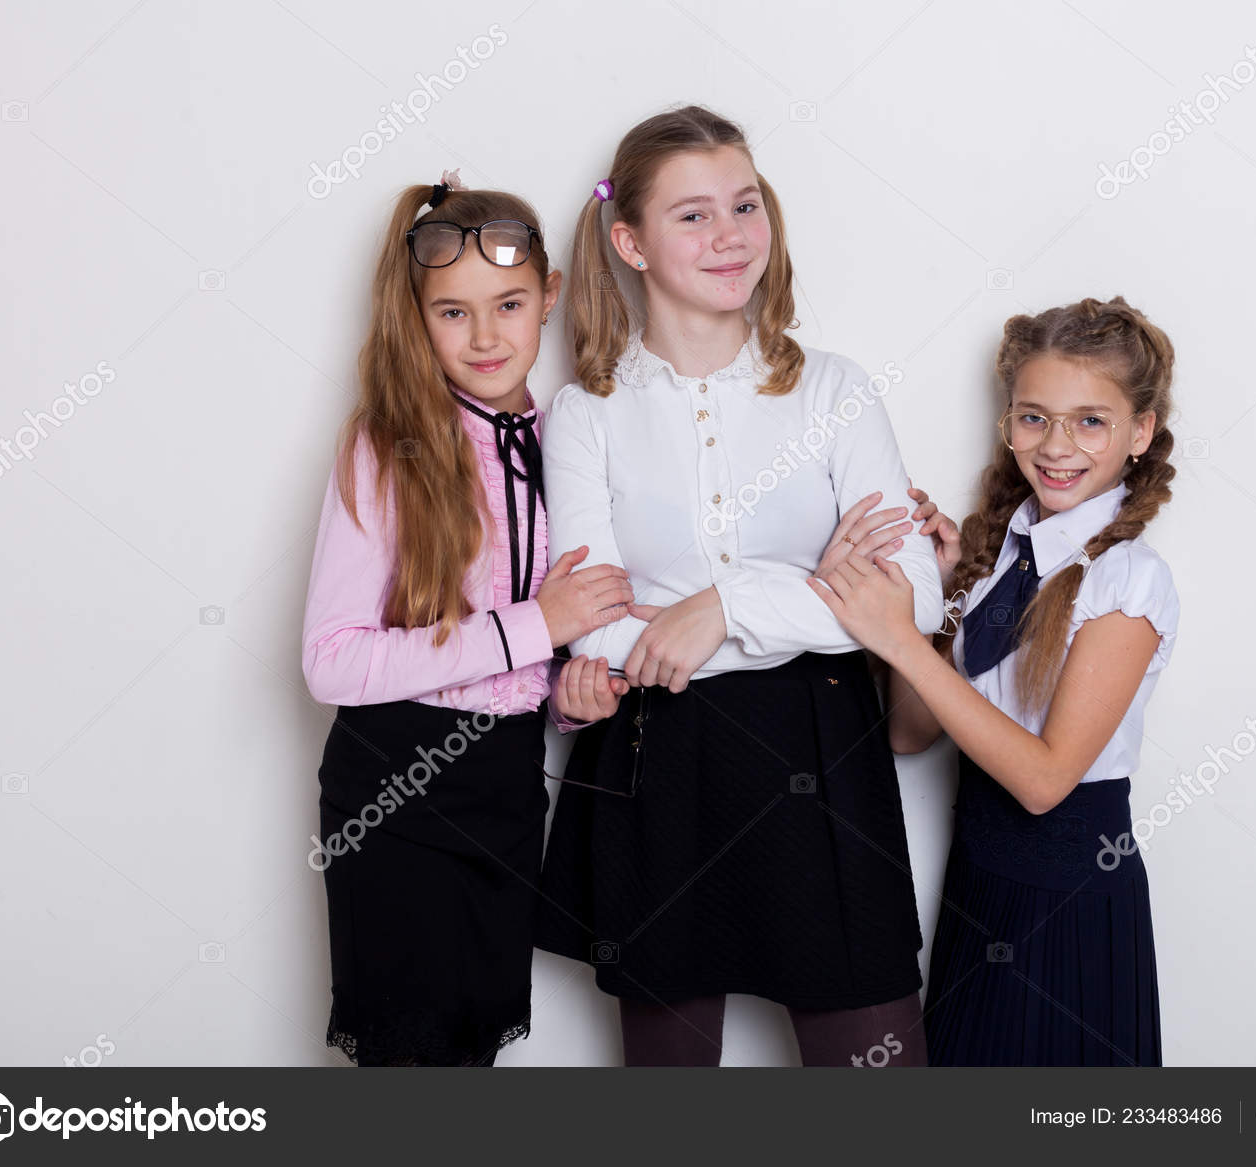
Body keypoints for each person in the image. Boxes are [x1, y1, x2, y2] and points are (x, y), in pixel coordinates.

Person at [535, 105, 944, 1067]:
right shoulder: (586, 412)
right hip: (657, 760)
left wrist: (727, 602)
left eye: (745, 205)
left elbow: (915, 597)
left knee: (878, 1065)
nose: (731, 237)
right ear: (628, 241)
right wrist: (825, 589)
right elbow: (592, 634)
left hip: (825, 751)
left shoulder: (835, 389)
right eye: (693, 215)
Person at [300, 171, 633, 1066]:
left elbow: (536, 657)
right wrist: (538, 622)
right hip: (396, 786)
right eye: (452, 312)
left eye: (510, 304)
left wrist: (572, 696)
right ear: (417, 316)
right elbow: (331, 662)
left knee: (469, 1056)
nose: (486, 336)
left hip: (509, 784)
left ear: (550, 297)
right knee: (410, 1062)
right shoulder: (387, 441)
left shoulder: (567, 437)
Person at [811, 296, 1180, 1065]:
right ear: (1007, 421)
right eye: (1034, 417)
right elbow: (912, 734)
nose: (1056, 445)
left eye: (1091, 420)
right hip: (980, 889)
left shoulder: (1128, 581)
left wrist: (902, 645)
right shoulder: (995, 561)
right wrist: (932, 602)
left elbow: (1045, 782)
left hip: (1068, 901)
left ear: (1139, 432)